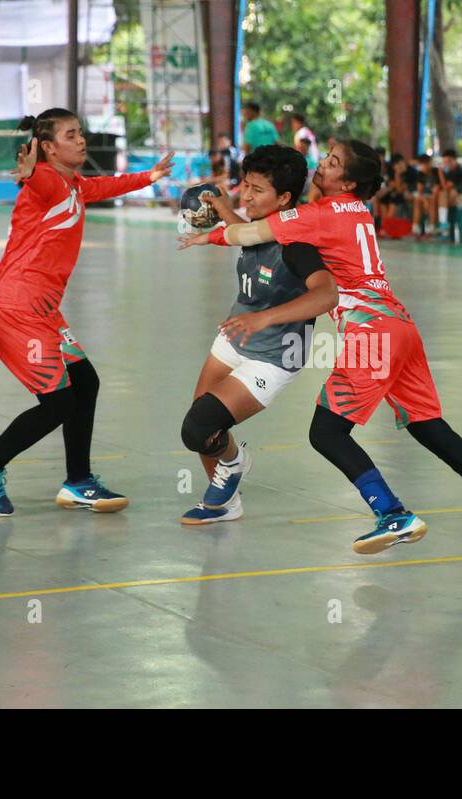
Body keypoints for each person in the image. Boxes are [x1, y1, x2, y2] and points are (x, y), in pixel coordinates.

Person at [180, 139, 462, 555]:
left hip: (372, 333)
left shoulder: (316, 214)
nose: (321, 165)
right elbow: (255, 233)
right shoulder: (356, 210)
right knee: (426, 426)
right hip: (400, 324)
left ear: (346, 181)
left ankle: (392, 514)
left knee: (327, 432)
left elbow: (250, 232)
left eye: (331, 163)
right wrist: (226, 218)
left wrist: (215, 222)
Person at [0, 108, 174, 516]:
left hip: (44, 311)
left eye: (80, 133)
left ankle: (78, 481)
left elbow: (105, 185)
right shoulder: (46, 184)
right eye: (71, 135)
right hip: (16, 308)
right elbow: (35, 180)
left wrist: (149, 177)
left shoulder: (72, 184)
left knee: (84, 382)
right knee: (59, 403)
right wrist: (29, 171)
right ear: (48, 147)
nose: (81, 140)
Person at [177, 145, 339, 524]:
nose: (246, 196)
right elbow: (243, 233)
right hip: (235, 336)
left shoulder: (297, 244)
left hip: (275, 354)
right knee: (201, 420)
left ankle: (232, 465)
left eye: (257, 190)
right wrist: (219, 208)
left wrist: (266, 319)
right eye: (245, 185)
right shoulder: (259, 226)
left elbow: (326, 293)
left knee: (199, 427)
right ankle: (224, 502)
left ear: (284, 198)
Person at [434, 148, 462, 240]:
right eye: (445, 162)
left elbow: (446, 188)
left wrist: (440, 173)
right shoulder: (450, 171)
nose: (447, 164)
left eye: (449, 161)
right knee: (441, 196)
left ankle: (444, 227)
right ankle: (444, 228)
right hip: (458, 196)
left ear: (455, 160)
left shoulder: (459, 171)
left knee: (445, 195)